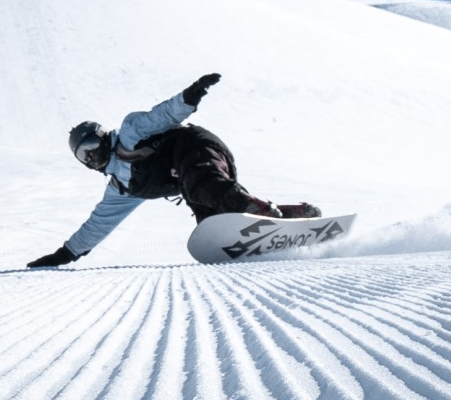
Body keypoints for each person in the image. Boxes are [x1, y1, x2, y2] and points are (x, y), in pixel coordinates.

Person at [27, 73, 319, 268]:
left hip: (196, 149)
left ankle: (262, 211)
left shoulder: (130, 133)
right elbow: (97, 225)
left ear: (103, 137)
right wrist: (65, 254)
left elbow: (162, 114)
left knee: (200, 185)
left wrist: (189, 97)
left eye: (92, 147)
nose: (92, 158)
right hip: (192, 174)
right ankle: (293, 215)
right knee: (214, 226)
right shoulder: (121, 187)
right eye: (83, 156)